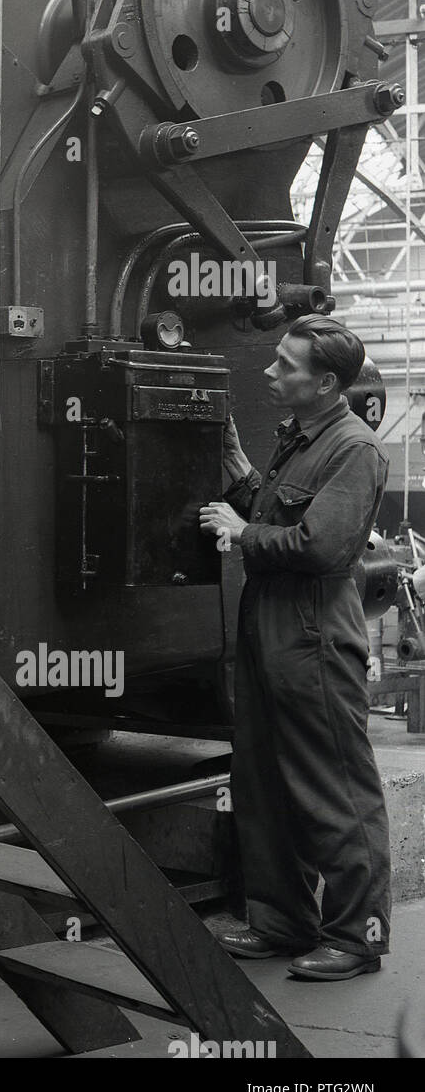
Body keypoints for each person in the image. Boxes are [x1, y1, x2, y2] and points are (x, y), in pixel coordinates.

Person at [199, 315, 391, 981]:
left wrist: (241, 531)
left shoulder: (354, 448)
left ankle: (355, 936)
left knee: (332, 785)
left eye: (286, 365)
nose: (269, 372)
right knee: (263, 780)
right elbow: (276, 508)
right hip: (268, 622)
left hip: (311, 628)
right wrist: (236, 467)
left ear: (326, 382)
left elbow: (320, 545)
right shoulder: (299, 436)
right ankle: (280, 918)